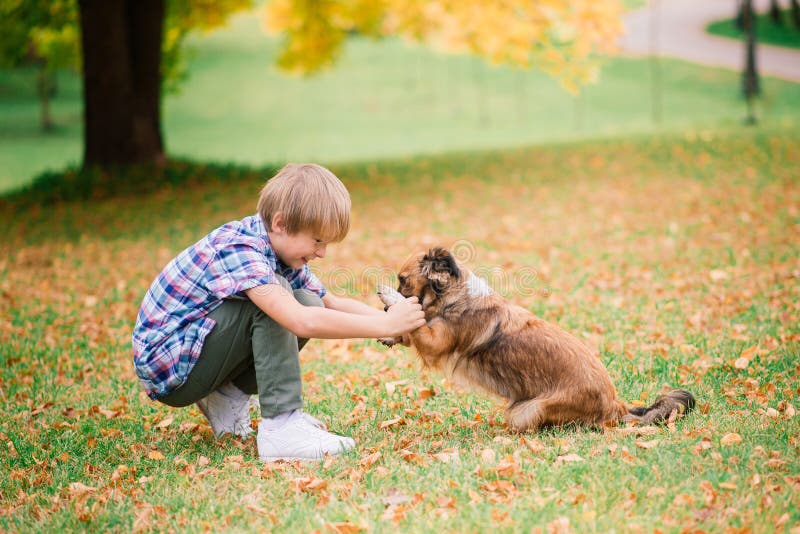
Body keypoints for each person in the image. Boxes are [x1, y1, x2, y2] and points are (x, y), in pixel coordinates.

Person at [132, 163, 425, 462]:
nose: (322, 252)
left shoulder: (277, 247)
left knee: (307, 299)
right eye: (318, 240)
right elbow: (301, 321)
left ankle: (226, 397)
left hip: (195, 354)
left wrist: (395, 323)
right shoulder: (241, 249)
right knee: (283, 303)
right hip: (170, 367)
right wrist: (387, 324)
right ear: (282, 223)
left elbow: (329, 303)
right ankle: (281, 429)